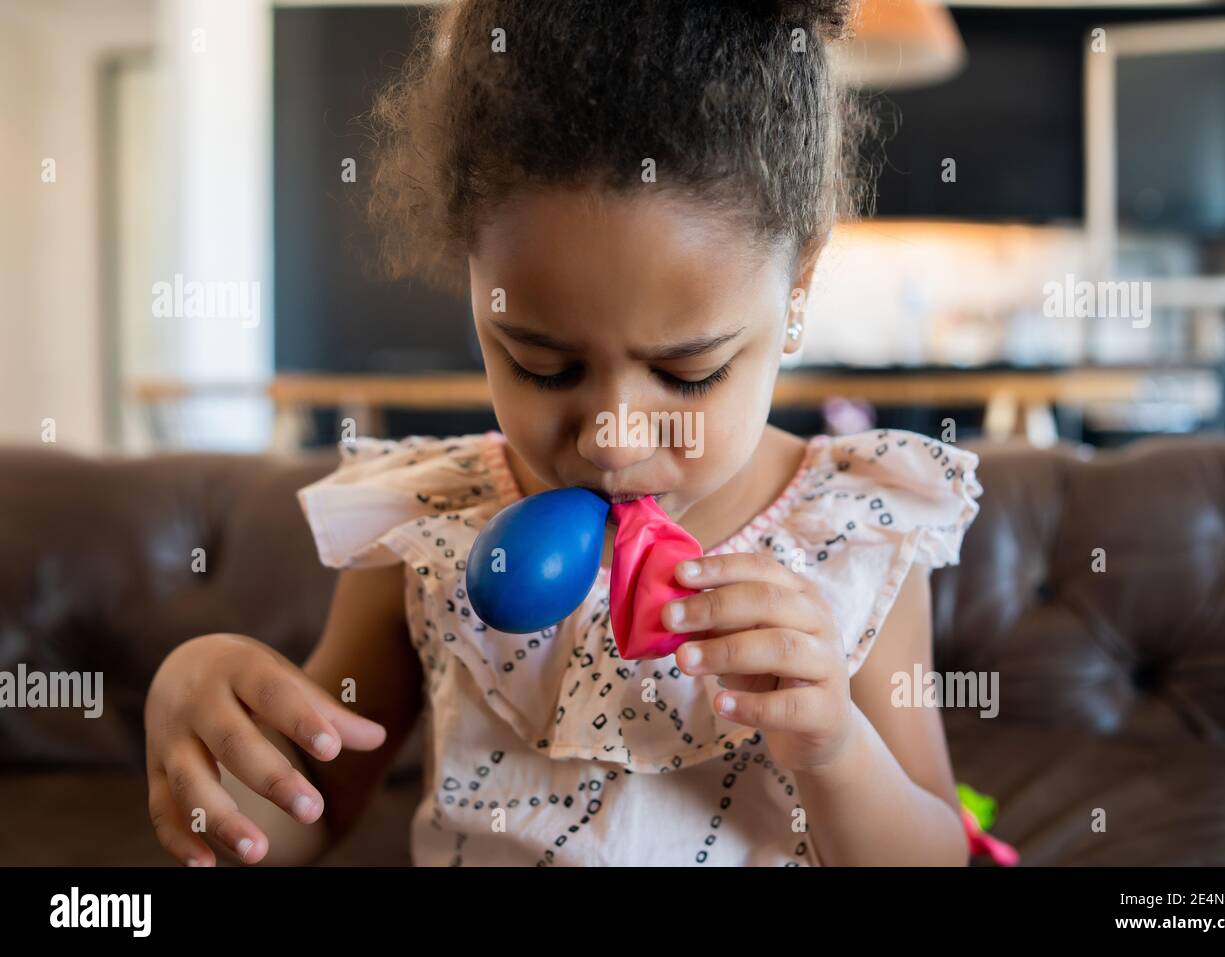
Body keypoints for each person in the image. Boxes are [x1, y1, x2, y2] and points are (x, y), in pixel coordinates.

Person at [144, 0, 984, 866]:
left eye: (688, 373)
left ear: (799, 282)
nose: (612, 438)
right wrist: (207, 729)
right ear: (474, 277)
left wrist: (837, 746)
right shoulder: (428, 528)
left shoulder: (856, 535)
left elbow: (935, 855)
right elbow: (297, 819)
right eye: (543, 366)